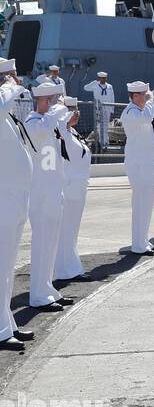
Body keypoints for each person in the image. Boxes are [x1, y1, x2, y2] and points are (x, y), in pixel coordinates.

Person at [23, 83, 71, 311]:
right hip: (41, 195)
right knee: (42, 245)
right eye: (53, 100)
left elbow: (50, 160)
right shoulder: (33, 123)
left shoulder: (47, 123)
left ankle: (47, 288)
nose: (57, 104)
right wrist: (57, 109)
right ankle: (38, 295)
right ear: (43, 101)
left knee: (51, 244)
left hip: (52, 191)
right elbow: (49, 124)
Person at [0, 59, 36, 349]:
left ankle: (6, 322)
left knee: (7, 266)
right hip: (3, 196)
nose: (15, 81)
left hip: (14, 196)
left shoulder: (7, 113)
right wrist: (9, 85)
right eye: (9, 76)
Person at [122, 82, 154, 253]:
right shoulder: (131, 112)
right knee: (140, 203)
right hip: (138, 164)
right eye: (143, 94)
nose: (146, 96)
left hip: (148, 163)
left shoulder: (142, 110)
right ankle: (138, 244)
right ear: (135, 96)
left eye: (145, 94)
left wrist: (153, 102)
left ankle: (143, 240)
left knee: (148, 204)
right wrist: (150, 102)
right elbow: (148, 117)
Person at [54, 96, 92, 282]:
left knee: (71, 231)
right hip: (69, 188)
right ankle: (64, 270)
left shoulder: (72, 131)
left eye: (76, 108)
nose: (75, 112)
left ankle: (71, 267)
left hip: (78, 188)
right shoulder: (60, 131)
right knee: (65, 231)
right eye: (70, 108)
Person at [83, 72, 115, 146]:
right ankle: (101, 141)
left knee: (106, 125)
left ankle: (106, 141)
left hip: (107, 107)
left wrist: (112, 108)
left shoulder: (110, 86)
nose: (103, 80)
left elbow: (112, 97)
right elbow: (85, 88)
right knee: (99, 125)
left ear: (106, 78)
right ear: (99, 78)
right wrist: (93, 82)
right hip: (98, 108)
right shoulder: (95, 85)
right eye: (101, 78)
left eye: (104, 78)